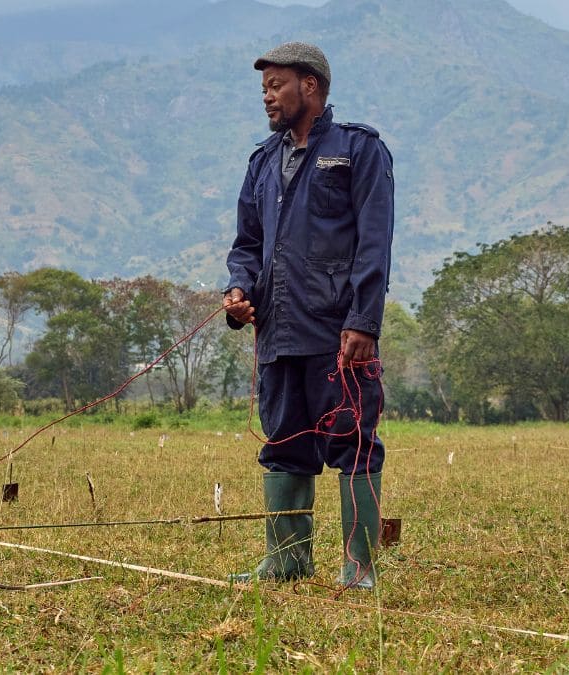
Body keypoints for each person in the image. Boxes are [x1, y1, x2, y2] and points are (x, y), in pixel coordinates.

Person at [223, 42, 394, 589]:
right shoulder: (261, 162)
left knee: (353, 443)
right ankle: (287, 562)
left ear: (311, 86)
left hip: (338, 331)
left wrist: (364, 321)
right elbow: (248, 244)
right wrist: (237, 290)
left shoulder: (359, 150)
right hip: (278, 332)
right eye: (264, 89)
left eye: (276, 86)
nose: (268, 97)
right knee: (283, 444)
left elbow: (375, 242)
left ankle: (358, 569)